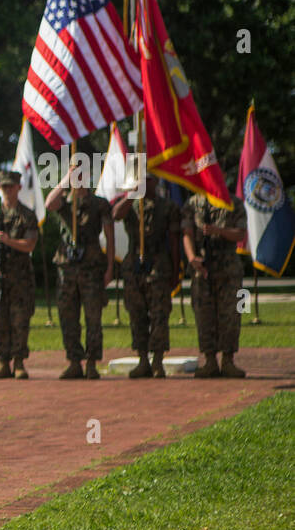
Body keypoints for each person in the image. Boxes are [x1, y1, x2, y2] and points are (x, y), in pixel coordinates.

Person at [45, 155, 114, 378]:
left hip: (91, 268)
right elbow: (49, 203)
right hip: (67, 269)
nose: (79, 177)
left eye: (81, 172)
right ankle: (75, 361)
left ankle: (92, 362)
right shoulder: (65, 203)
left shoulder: (99, 204)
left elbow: (110, 237)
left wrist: (110, 268)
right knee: (68, 316)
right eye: (75, 172)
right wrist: (66, 179)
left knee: (93, 317)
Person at [111, 180, 180, 378]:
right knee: (136, 314)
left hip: (158, 265)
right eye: (141, 179)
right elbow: (116, 215)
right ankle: (142, 359)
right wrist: (132, 194)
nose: (144, 183)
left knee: (159, 315)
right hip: (134, 267)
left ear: (155, 182)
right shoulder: (130, 204)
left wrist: (176, 271)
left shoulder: (167, 206)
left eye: (148, 180)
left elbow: (174, 241)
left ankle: (157, 360)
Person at [181, 187, 248, 378]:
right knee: (203, 314)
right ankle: (210, 360)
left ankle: (228, 360)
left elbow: (241, 234)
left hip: (228, 269)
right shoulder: (193, 204)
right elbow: (187, 233)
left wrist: (219, 231)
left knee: (231, 314)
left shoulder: (233, 203)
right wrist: (192, 257)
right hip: (203, 270)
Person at [0, 169, 38, 379]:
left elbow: (30, 244)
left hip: (21, 277)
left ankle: (19, 362)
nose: (7, 190)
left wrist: (8, 242)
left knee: (20, 320)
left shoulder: (27, 215)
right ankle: (3, 362)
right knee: (0, 320)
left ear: (18, 187)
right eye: (3, 186)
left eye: (10, 186)